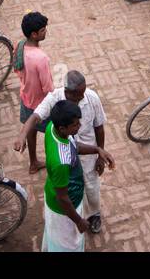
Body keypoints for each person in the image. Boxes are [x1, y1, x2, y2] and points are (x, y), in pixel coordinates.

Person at [16, 70, 109, 234]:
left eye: (83, 93)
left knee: (91, 186)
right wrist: (22, 135)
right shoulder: (55, 98)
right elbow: (36, 116)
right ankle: (76, 216)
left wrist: (99, 154)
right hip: (72, 155)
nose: (82, 97)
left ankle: (94, 213)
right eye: (78, 95)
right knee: (69, 188)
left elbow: (99, 127)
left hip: (87, 153)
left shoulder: (92, 98)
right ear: (67, 93)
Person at [40, 98, 115, 252]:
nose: (79, 126)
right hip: (63, 210)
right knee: (67, 246)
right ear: (62, 128)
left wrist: (97, 150)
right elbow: (62, 198)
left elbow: (74, 146)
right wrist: (79, 220)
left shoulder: (52, 128)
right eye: (75, 125)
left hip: (62, 197)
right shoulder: (60, 161)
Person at [14, 12, 53, 125]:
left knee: (29, 127)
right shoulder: (41, 58)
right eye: (42, 30)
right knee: (50, 130)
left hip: (26, 97)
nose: (45, 31)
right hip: (41, 104)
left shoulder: (20, 45)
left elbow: (17, 68)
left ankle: (30, 144)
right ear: (34, 35)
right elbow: (48, 88)